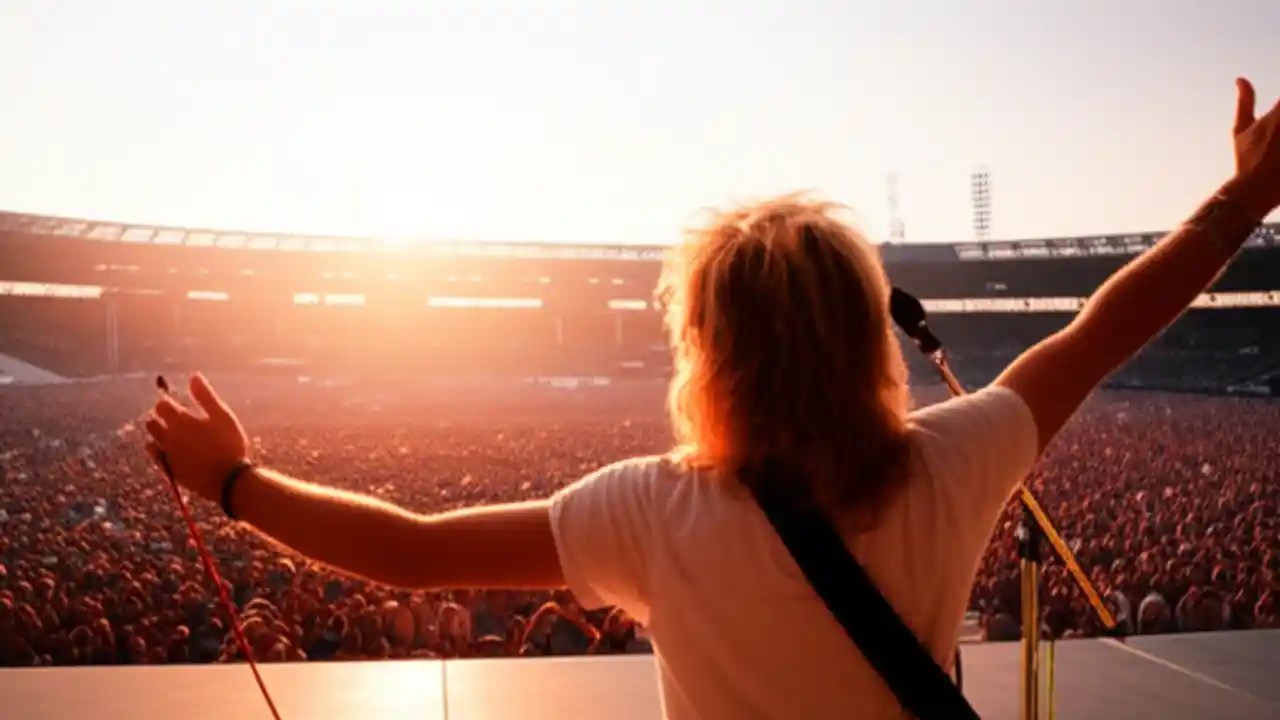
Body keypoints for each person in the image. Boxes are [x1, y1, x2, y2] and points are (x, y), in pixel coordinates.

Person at [142, 77, 1280, 718]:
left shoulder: (649, 512)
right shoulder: (954, 458)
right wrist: (1239, 204)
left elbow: (412, 550)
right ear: (859, 340)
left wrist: (235, 481)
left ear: (706, 357)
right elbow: (1099, 328)